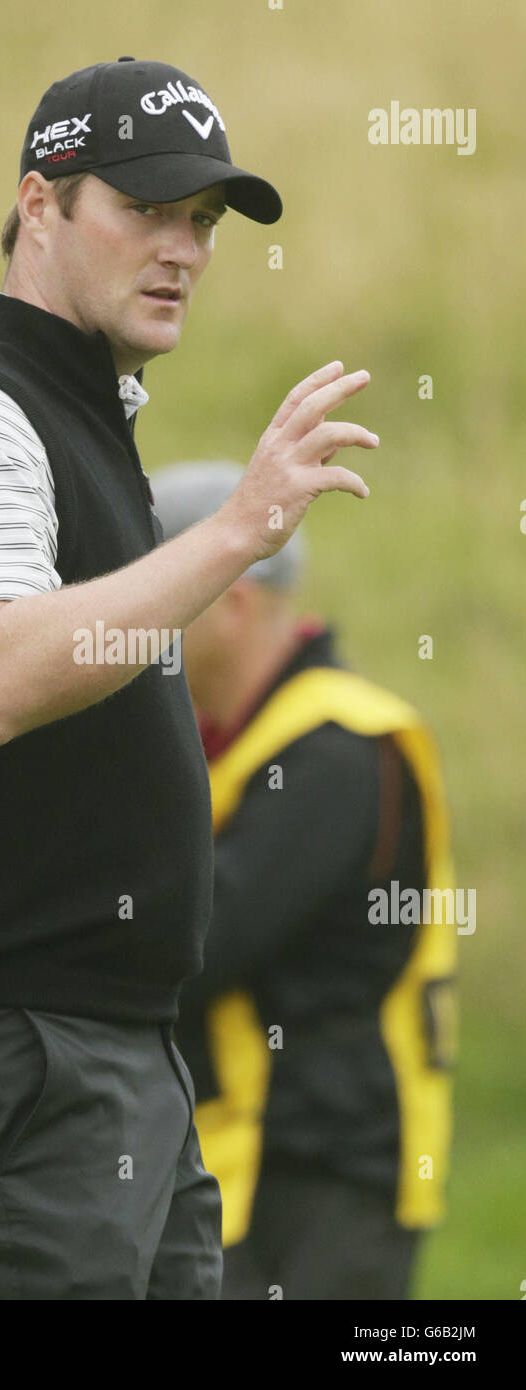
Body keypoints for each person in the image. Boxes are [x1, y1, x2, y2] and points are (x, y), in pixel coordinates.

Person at [0, 58, 380, 1300]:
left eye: (203, 222)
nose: (183, 249)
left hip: (105, 1060)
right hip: (21, 1059)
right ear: (41, 204)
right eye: (146, 209)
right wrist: (235, 534)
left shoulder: (79, 420)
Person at [151, 461, 457, 1301]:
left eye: (163, 600)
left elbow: (195, 945)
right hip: (245, 1159)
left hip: (324, 1174)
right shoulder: (240, 750)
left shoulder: (336, 751)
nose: (134, 629)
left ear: (233, 606)